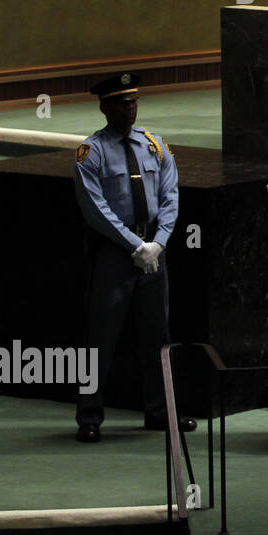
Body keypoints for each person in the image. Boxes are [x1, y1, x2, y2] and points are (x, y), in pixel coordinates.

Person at [74, 73, 194, 442]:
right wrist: (134, 245)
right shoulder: (91, 153)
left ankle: (160, 412)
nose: (129, 109)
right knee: (101, 338)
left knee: (158, 337)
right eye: (121, 103)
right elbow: (95, 208)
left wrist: (158, 242)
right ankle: (89, 417)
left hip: (154, 254)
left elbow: (171, 197)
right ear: (104, 107)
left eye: (133, 102)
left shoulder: (155, 146)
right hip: (116, 254)